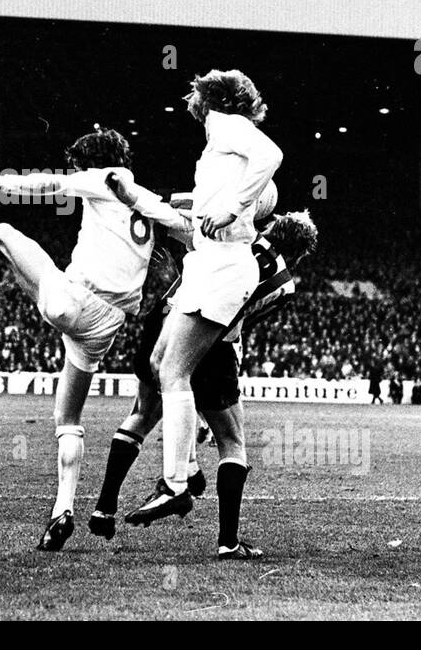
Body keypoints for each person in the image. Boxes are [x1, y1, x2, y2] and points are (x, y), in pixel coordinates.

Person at [0, 128, 189, 551]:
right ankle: (62, 511)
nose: (78, 172)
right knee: (68, 419)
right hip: (107, 324)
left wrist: (0, 182)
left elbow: (51, 184)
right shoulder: (149, 204)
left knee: (1, 234)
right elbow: (182, 226)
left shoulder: (105, 176)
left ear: (93, 161)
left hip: (74, 300)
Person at [92, 211, 317, 559]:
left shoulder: (234, 236)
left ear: (272, 226)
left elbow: (190, 245)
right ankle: (227, 540)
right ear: (300, 253)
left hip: (163, 323)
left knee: (142, 415)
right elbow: (238, 320)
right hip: (215, 343)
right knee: (232, 441)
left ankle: (104, 508)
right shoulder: (284, 285)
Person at [126, 70, 282, 525]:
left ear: (210, 99)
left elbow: (272, 154)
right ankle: (188, 471)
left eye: (196, 95)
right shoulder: (221, 140)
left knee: (174, 371)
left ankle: (175, 486)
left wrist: (233, 209)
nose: (191, 102)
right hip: (205, 264)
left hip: (224, 265)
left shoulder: (225, 122)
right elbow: (205, 195)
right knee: (158, 363)